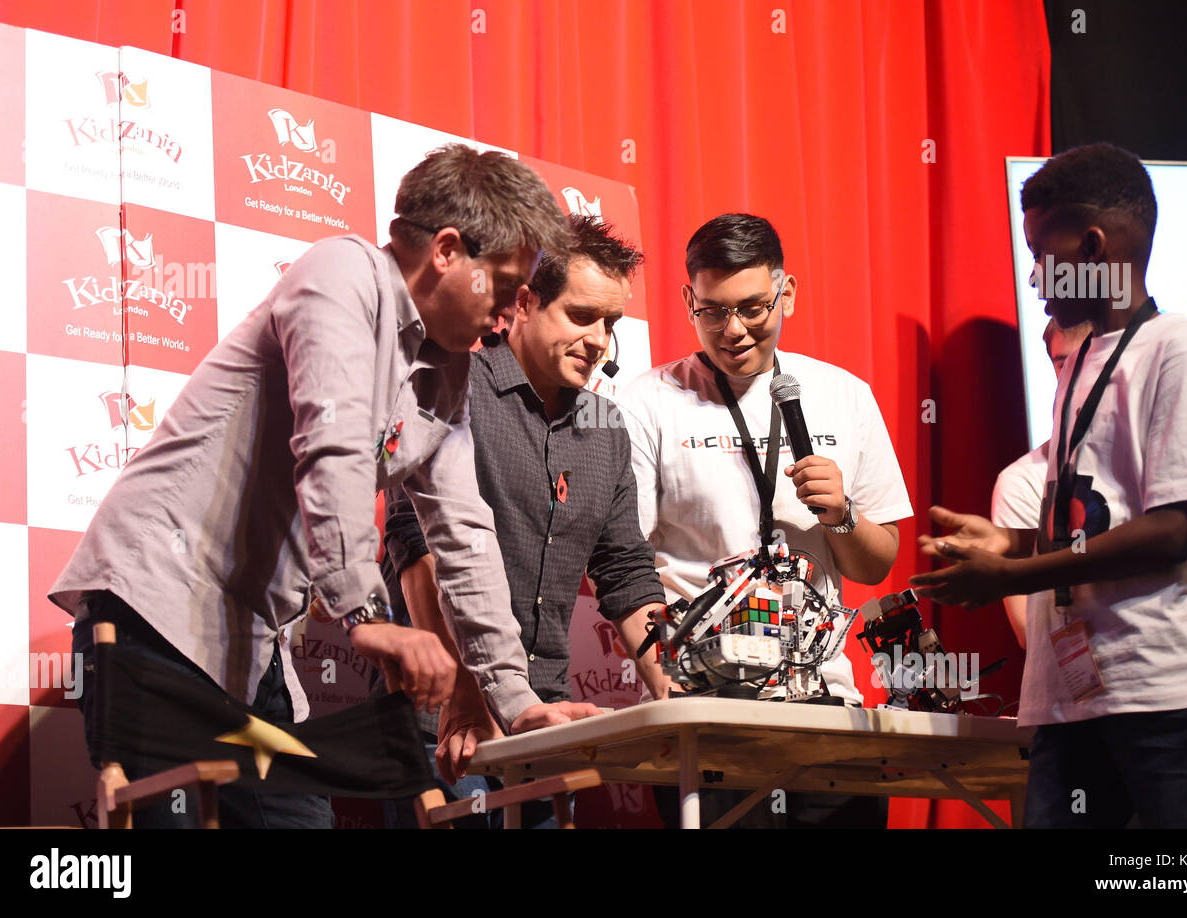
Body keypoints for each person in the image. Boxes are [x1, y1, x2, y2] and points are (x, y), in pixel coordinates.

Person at [49, 144, 580, 828]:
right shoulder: (342, 271)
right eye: (504, 291)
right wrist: (369, 616)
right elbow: (333, 447)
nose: (508, 318)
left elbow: (462, 528)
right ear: (447, 250)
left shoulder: (448, 368)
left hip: (252, 646)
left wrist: (515, 698)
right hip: (156, 619)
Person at [912, 143, 1187, 828]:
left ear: (1092, 246)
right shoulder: (1079, 365)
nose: (1033, 277)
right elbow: (1096, 523)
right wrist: (1010, 540)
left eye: (1041, 252)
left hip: (1164, 694)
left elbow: (1167, 533)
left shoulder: (1176, 349)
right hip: (1072, 701)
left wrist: (1011, 576)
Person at [618, 213, 913, 827]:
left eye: (753, 307)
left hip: (827, 703)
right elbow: (623, 563)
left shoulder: (845, 395)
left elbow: (878, 561)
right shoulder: (646, 401)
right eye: (712, 310)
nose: (734, 330)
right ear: (687, 301)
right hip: (705, 708)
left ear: (788, 293)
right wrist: (664, 687)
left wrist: (843, 516)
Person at [377, 215, 673, 826]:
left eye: (611, 323)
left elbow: (626, 573)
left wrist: (669, 691)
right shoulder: (455, 383)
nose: (599, 341)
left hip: (545, 718)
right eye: (582, 315)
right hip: (445, 711)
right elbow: (414, 542)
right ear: (526, 302)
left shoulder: (606, 427)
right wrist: (461, 691)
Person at [994, 318, 1187, 647]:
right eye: (1064, 365)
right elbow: (1032, 632)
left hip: (1185, 683)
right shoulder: (1022, 481)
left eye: (1093, 362)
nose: (1078, 376)